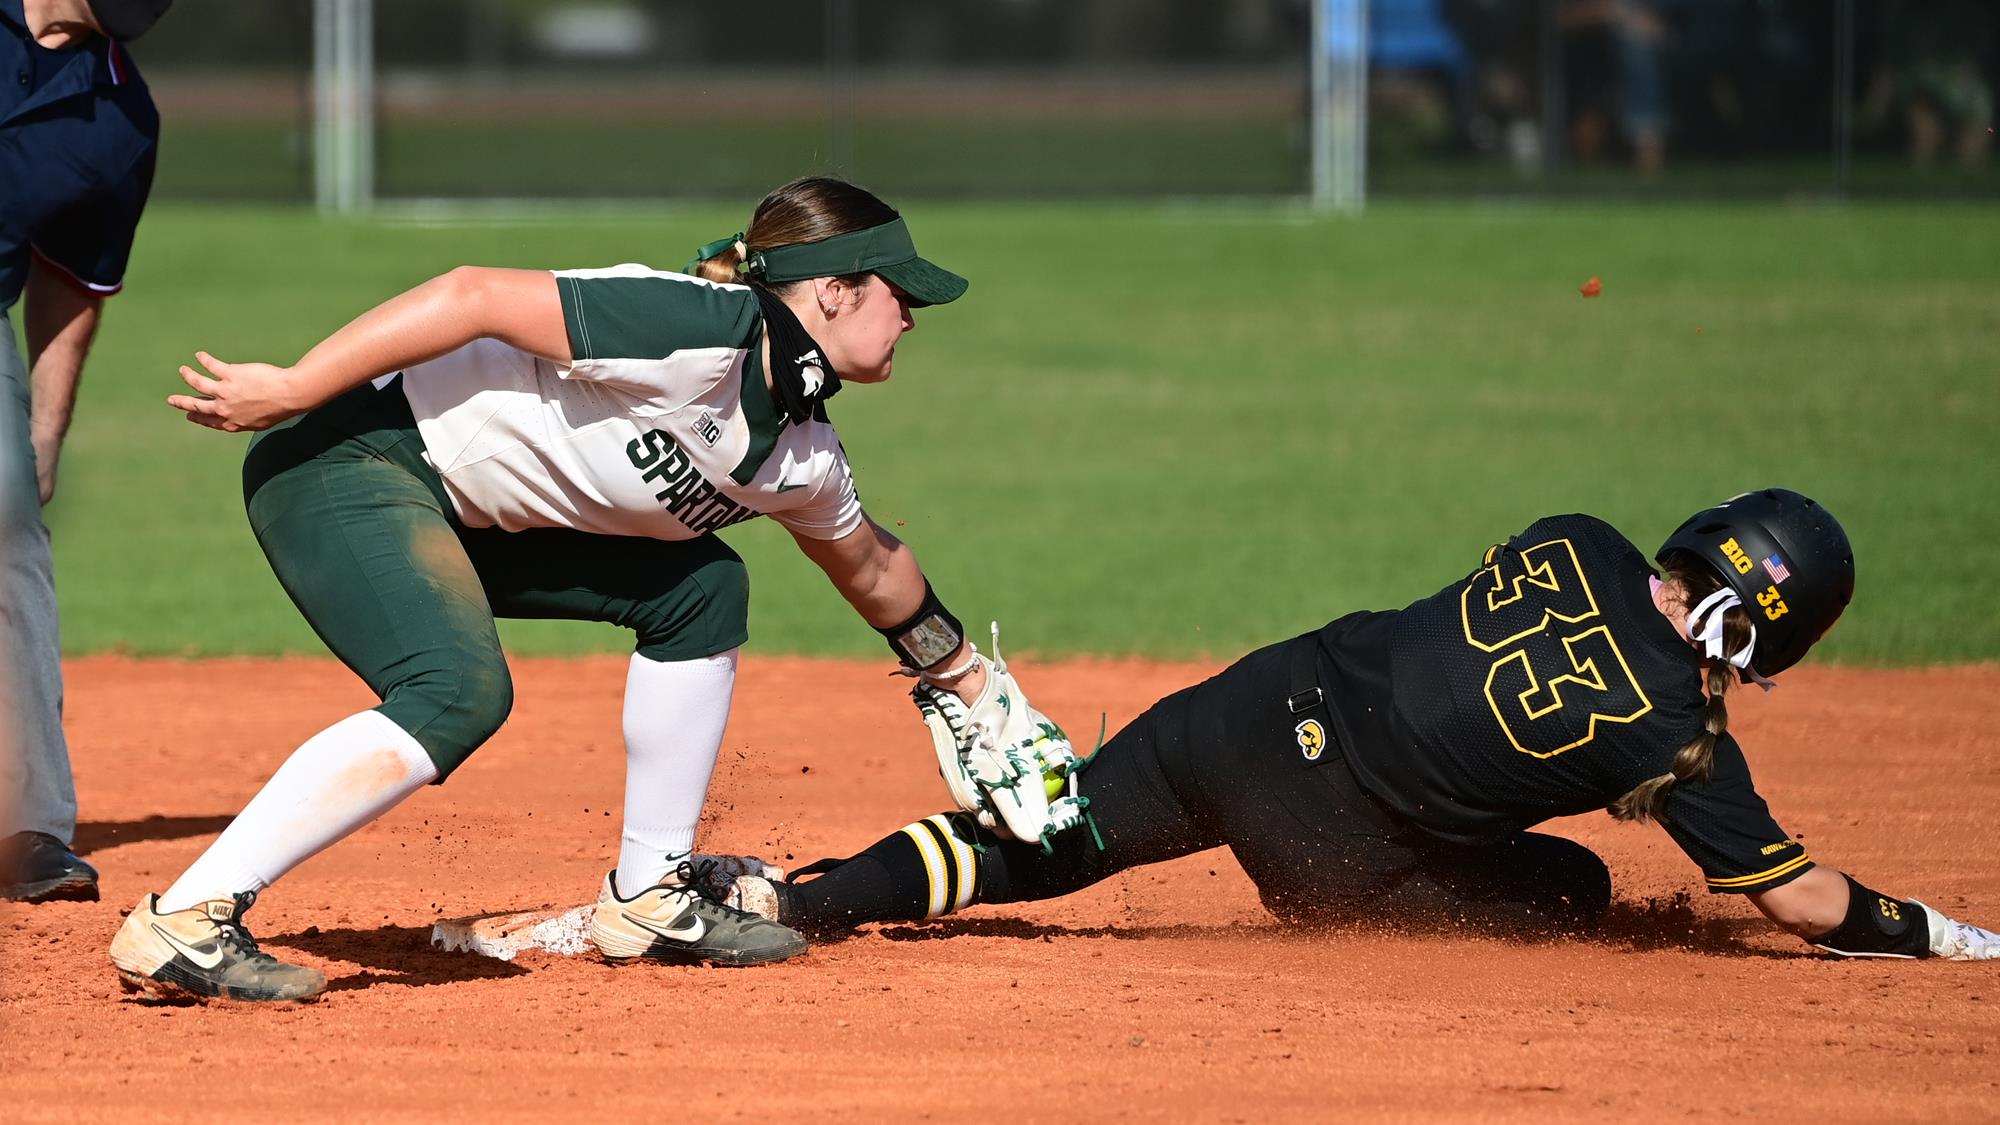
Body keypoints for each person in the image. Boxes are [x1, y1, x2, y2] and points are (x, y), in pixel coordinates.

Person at [107, 176, 1069, 1002]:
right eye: (899, 294)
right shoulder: (696, 329)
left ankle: (648, 897)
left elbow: (869, 564)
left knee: (700, 590)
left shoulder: (804, 455)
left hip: (469, 517)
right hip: (351, 457)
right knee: (457, 691)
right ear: (828, 291)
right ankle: (187, 914)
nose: (912, 315)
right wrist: (295, 386)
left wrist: (970, 681)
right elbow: (472, 292)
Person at [729, 490, 2000, 962]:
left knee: (1044, 839)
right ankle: (1343, 904)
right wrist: (1940, 935)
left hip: (1248, 707)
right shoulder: (1669, 736)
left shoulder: (1579, 536)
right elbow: (1800, 903)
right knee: (1569, 889)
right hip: (1328, 847)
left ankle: (803, 902)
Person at [0, 0, 170, 903]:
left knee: (9, 530)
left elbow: (72, 275)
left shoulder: (118, 122)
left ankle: (27, 826)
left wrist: (43, 432)